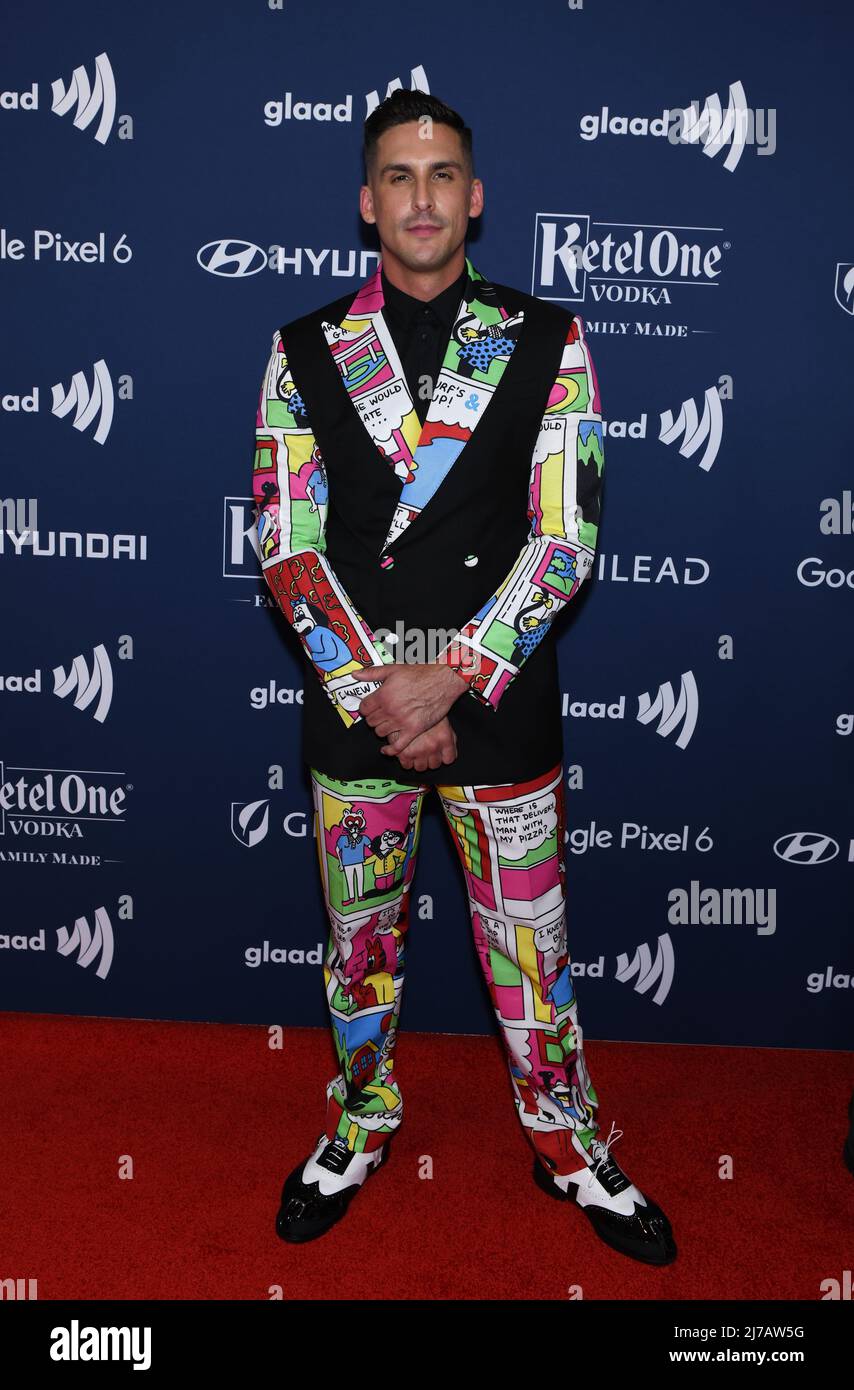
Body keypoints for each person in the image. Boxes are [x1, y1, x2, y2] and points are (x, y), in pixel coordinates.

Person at [251, 89, 676, 1265]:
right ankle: (362, 1118)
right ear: (364, 201)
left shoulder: (547, 337)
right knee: (358, 948)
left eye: (441, 174)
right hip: (357, 713)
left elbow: (564, 536)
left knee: (531, 955)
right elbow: (285, 541)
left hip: (494, 702)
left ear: (474, 198)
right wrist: (382, 691)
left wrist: (449, 680)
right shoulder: (305, 349)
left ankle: (567, 1141)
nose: (421, 196)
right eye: (397, 175)